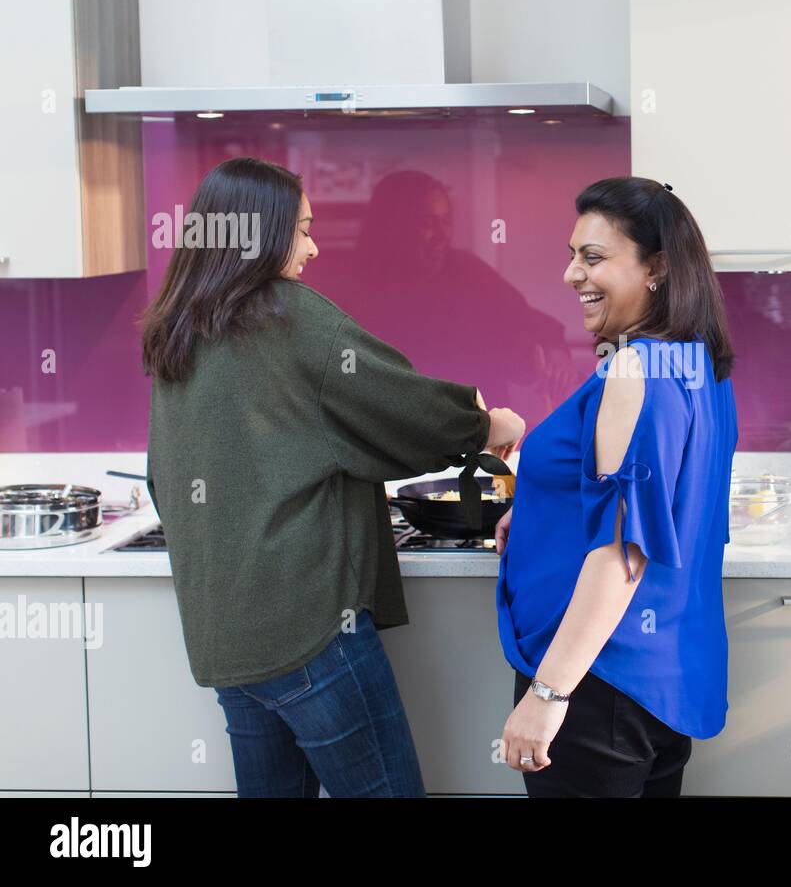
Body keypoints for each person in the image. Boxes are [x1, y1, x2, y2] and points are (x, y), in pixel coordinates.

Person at [141, 157, 524, 797]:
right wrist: (485, 425)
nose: (313, 248)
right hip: (308, 631)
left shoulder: (182, 326)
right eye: (302, 230)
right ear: (261, 233)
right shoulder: (285, 315)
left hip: (225, 640)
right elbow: (395, 406)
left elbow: (163, 481)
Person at [494, 177, 738, 796]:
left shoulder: (634, 370)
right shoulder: (698, 362)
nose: (572, 274)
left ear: (657, 267)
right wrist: (538, 509)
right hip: (659, 680)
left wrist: (548, 695)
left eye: (594, 257)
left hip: (596, 682)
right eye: (573, 255)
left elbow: (621, 551)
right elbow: (661, 502)